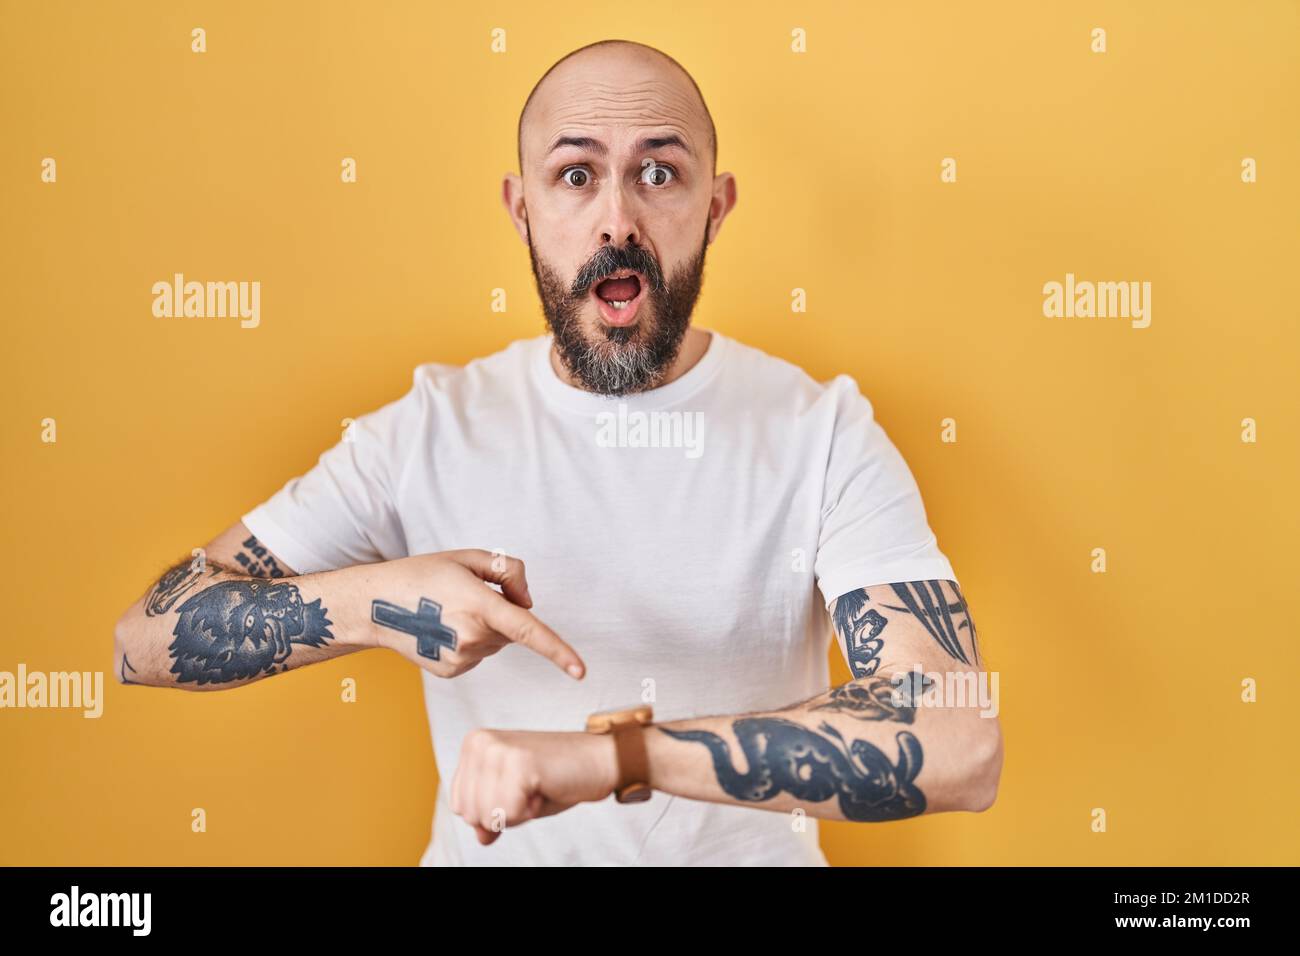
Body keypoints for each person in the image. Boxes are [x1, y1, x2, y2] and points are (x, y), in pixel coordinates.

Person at [113, 38, 1002, 866]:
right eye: (576, 176)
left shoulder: (821, 435)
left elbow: (960, 743)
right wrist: (379, 602)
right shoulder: (426, 431)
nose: (617, 220)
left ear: (716, 207)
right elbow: (144, 639)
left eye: (660, 173)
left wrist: (615, 755)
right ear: (523, 209)